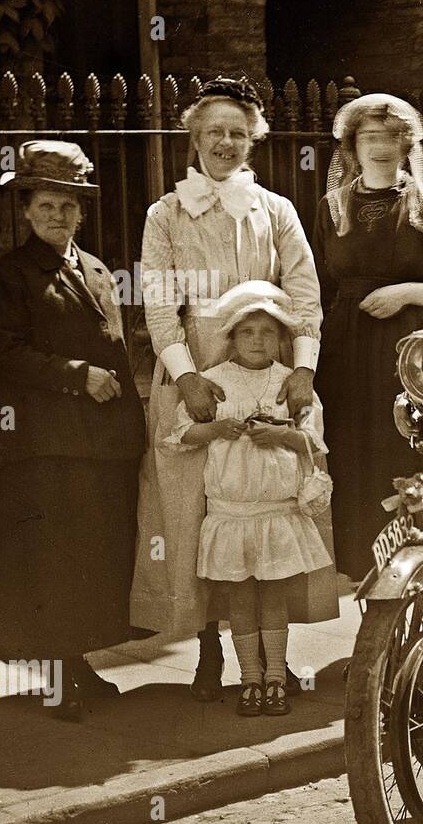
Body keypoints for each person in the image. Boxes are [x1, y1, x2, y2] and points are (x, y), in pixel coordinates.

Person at [130, 76, 334, 702]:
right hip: (196, 372)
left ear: (253, 141)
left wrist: (302, 366)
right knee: (193, 512)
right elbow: (160, 302)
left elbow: (303, 291)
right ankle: (207, 650)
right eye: (214, 131)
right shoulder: (165, 213)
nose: (225, 142)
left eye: (238, 133)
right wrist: (187, 374)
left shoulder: (275, 210)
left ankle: (274, 656)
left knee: (270, 505)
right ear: (193, 138)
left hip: (267, 366)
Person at [0, 141, 147, 720]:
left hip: (99, 441)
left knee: (90, 550)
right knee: (48, 555)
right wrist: (77, 377)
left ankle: (76, 663)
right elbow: (5, 354)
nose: (59, 216)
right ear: (26, 210)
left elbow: (118, 350)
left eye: (69, 206)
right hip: (42, 442)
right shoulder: (9, 276)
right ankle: (55, 677)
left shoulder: (98, 269)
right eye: (47, 206)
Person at [313, 93, 423, 578]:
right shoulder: (332, 207)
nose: (382, 146)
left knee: (403, 449)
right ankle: (364, 574)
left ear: (409, 145)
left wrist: (410, 292)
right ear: (352, 147)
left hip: (410, 351)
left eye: (394, 137)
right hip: (346, 351)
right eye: (371, 137)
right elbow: (316, 286)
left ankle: (418, 565)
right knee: (351, 451)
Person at [167, 283, 332, 716]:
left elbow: (313, 441)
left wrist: (281, 434)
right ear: (231, 338)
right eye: (246, 332)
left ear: (280, 338)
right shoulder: (214, 382)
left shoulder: (289, 383)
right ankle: (250, 680)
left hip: (275, 511)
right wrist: (218, 429)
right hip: (232, 512)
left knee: (274, 596)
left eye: (267, 331)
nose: (257, 340)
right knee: (239, 599)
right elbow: (181, 435)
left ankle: (276, 674)